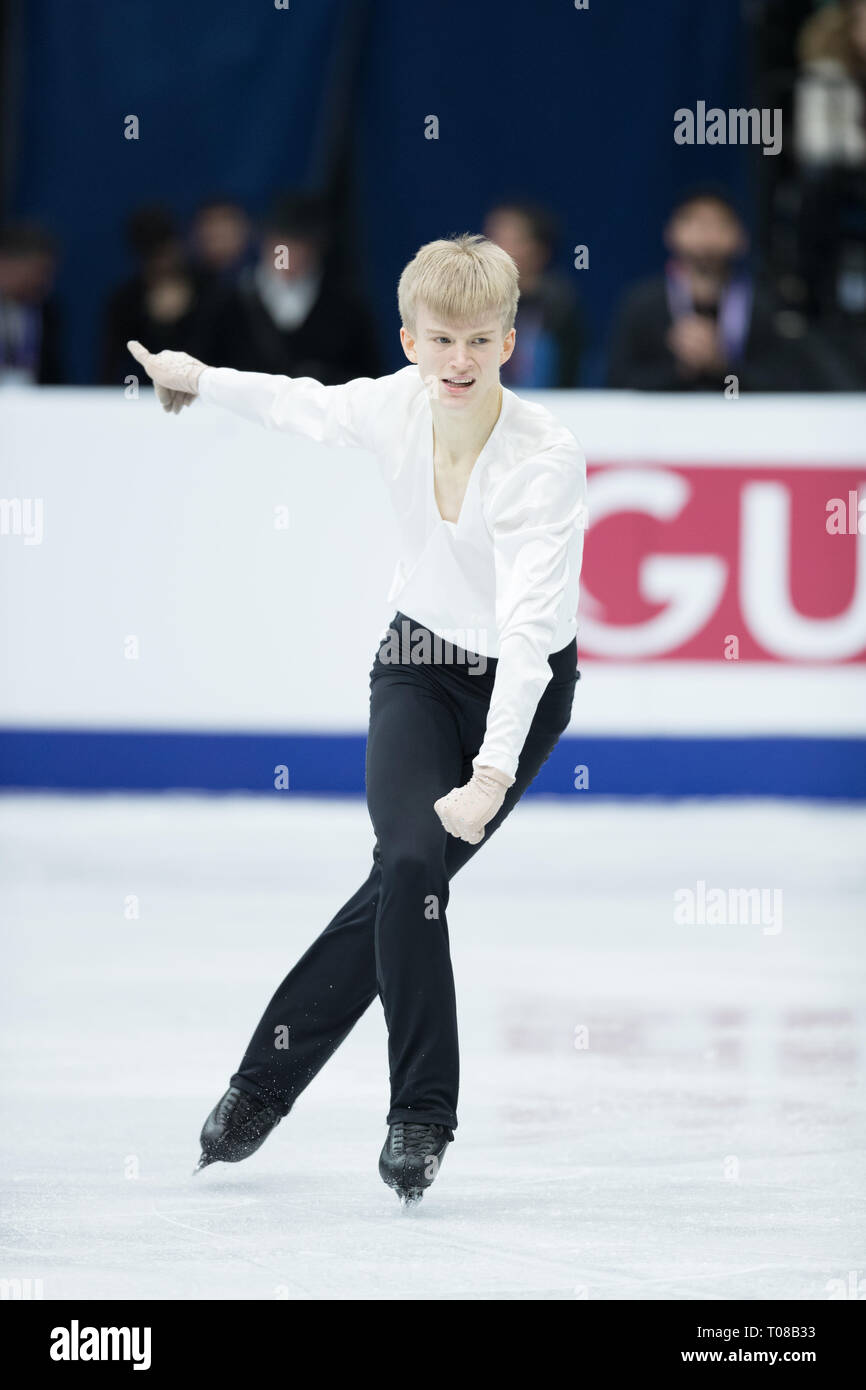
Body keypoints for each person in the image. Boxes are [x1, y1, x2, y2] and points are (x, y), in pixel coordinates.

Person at [127, 232, 587, 1204]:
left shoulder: (543, 458)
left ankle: (269, 1087)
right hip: (416, 664)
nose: (457, 360)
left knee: (397, 879)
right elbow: (300, 402)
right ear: (409, 339)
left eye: (478, 340)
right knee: (410, 866)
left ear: (509, 341)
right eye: (439, 339)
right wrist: (195, 376)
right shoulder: (391, 403)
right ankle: (415, 1109)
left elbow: (532, 629)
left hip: (521, 685)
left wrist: (494, 772)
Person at [607, 187, 797, 391]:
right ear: (671, 232)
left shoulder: (762, 305)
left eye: (719, 223)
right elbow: (618, 383)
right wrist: (679, 369)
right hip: (661, 419)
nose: (707, 234)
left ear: (741, 237)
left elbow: (785, 384)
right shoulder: (643, 304)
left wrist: (721, 365)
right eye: (695, 222)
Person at [191, 192, 382, 383]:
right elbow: (204, 368)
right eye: (282, 243)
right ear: (266, 242)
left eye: (299, 244)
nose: (290, 254)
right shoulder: (231, 300)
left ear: (315, 247)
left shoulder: (344, 304)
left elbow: (368, 375)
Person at [101, 205, 211, 386]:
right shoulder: (125, 302)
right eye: (153, 256)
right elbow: (113, 368)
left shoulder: (208, 291)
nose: (162, 263)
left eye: (167, 251)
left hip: (203, 396)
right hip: (144, 400)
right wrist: (156, 324)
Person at [483, 200, 583, 387]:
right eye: (492, 238)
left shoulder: (559, 306)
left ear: (539, 250)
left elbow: (567, 376)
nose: (496, 249)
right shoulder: (470, 302)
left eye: (511, 239)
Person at [0, 222, 63, 386]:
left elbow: (54, 375)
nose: (45, 282)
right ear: (6, 264)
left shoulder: (48, 312)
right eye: (40, 272)